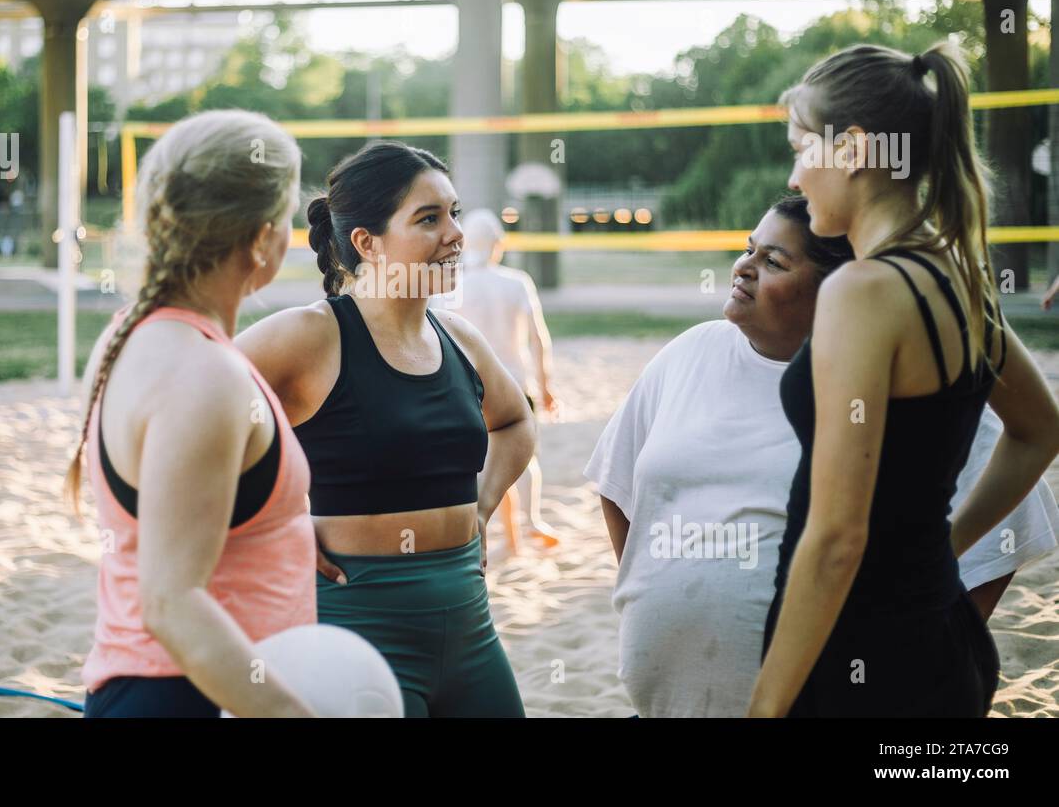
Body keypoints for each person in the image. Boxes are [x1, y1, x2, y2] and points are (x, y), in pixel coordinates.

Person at [586, 195, 1059, 717]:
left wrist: (916, 634)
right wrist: (654, 590)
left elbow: (1007, 529)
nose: (743, 267)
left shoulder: (904, 383)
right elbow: (617, 484)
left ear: (837, 291)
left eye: (773, 261)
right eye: (749, 249)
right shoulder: (687, 354)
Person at [751, 44, 1059, 717]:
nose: (797, 178)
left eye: (803, 149)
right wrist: (943, 546)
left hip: (862, 651)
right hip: (942, 637)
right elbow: (1042, 431)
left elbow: (838, 538)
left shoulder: (864, 291)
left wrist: (766, 709)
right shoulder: (957, 277)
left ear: (855, 148)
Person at [236, 140, 535, 717]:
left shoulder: (460, 339)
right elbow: (186, 415)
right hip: (358, 625)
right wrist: (269, 526)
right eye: (429, 218)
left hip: (471, 624)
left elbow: (516, 419)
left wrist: (483, 504)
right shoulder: (310, 336)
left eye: (453, 212)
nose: (454, 233)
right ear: (367, 243)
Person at [69, 110, 317, 718]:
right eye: (288, 217)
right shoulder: (204, 376)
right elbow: (172, 602)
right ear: (261, 237)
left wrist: (291, 533)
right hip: (191, 696)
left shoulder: (133, 334)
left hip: (173, 687)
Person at [433, 208, 560, 553]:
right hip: (516, 383)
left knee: (484, 462)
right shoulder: (517, 282)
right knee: (522, 457)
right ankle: (529, 523)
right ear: (497, 245)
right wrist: (546, 388)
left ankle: (509, 538)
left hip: (469, 386)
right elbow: (538, 340)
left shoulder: (451, 286)